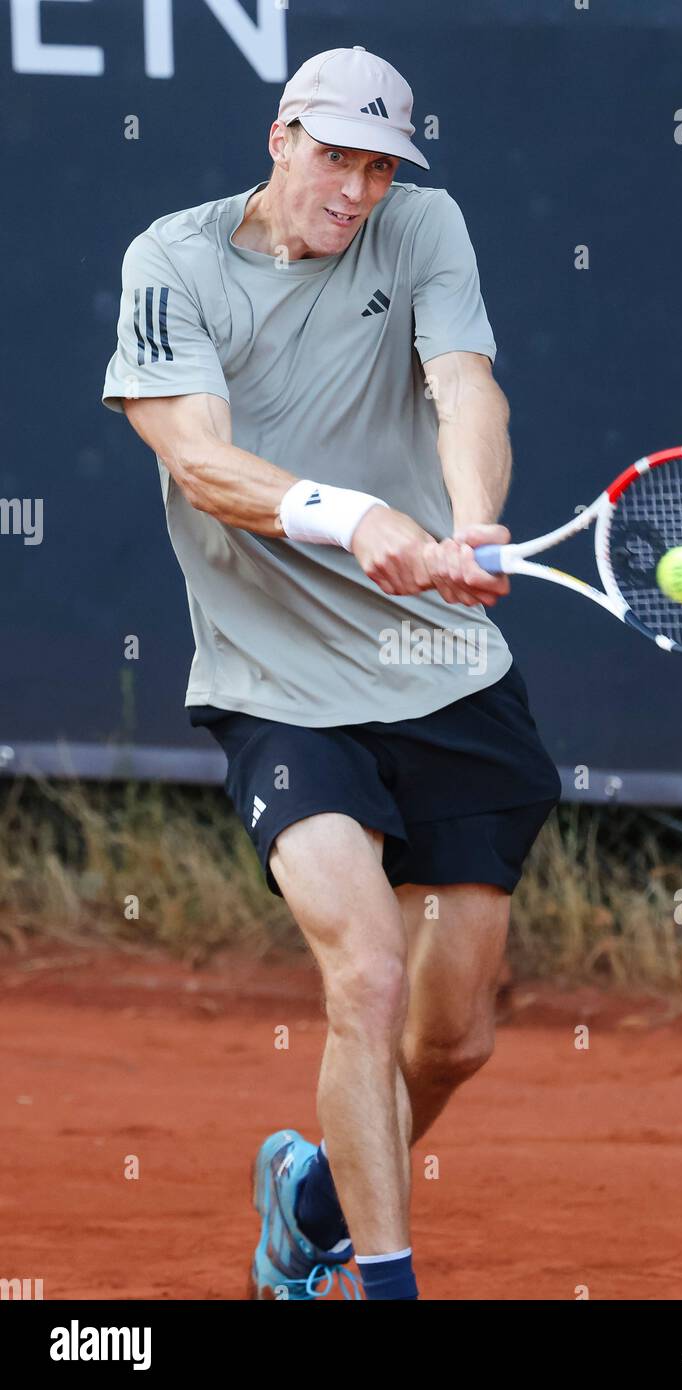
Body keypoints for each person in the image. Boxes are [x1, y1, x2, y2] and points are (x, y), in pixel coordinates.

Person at [102, 45, 560, 1301]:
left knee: (453, 1036)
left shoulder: (424, 227)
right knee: (364, 971)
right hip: (276, 684)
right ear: (279, 137)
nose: (357, 188)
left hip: (447, 674)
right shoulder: (173, 262)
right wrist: (355, 519)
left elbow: (466, 385)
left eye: (379, 164)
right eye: (337, 156)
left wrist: (468, 521)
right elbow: (199, 462)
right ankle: (379, 1280)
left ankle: (306, 1194)